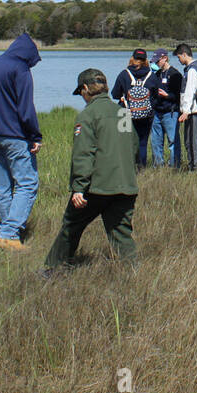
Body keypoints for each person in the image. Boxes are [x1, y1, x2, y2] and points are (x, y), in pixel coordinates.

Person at [40, 69, 138, 274]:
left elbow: (83, 154)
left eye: (81, 92)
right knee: (121, 232)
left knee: (71, 225)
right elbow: (134, 146)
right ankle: (132, 273)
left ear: (85, 89)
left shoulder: (87, 115)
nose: (82, 97)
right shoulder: (122, 112)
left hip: (97, 188)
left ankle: (53, 270)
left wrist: (78, 188)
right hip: (126, 186)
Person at [0, 33, 44, 251]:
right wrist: (35, 136)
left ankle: (6, 233)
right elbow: (25, 108)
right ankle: (10, 233)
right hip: (16, 136)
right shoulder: (20, 69)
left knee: (3, 187)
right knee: (27, 183)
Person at [110, 49, 154, 168]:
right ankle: (141, 167)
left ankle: (127, 168)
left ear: (132, 58)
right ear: (146, 60)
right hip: (146, 115)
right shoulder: (151, 75)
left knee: (125, 143)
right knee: (143, 142)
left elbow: (114, 94)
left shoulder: (124, 74)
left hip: (125, 113)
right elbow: (156, 95)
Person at [145, 49, 181, 167]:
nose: (156, 64)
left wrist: (167, 96)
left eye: (158, 61)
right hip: (157, 113)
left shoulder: (175, 74)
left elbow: (179, 96)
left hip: (170, 113)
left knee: (173, 141)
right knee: (155, 142)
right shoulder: (157, 74)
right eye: (154, 62)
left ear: (165, 58)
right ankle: (158, 166)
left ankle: (174, 166)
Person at [175, 43, 197, 171]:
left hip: (192, 111)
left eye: (179, 57)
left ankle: (194, 168)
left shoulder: (192, 70)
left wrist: (186, 111)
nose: (179, 60)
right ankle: (191, 165)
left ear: (184, 54)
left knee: (192, 141)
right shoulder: (190, 69)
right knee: (188, 140)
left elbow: (190, 90)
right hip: (189, 110)